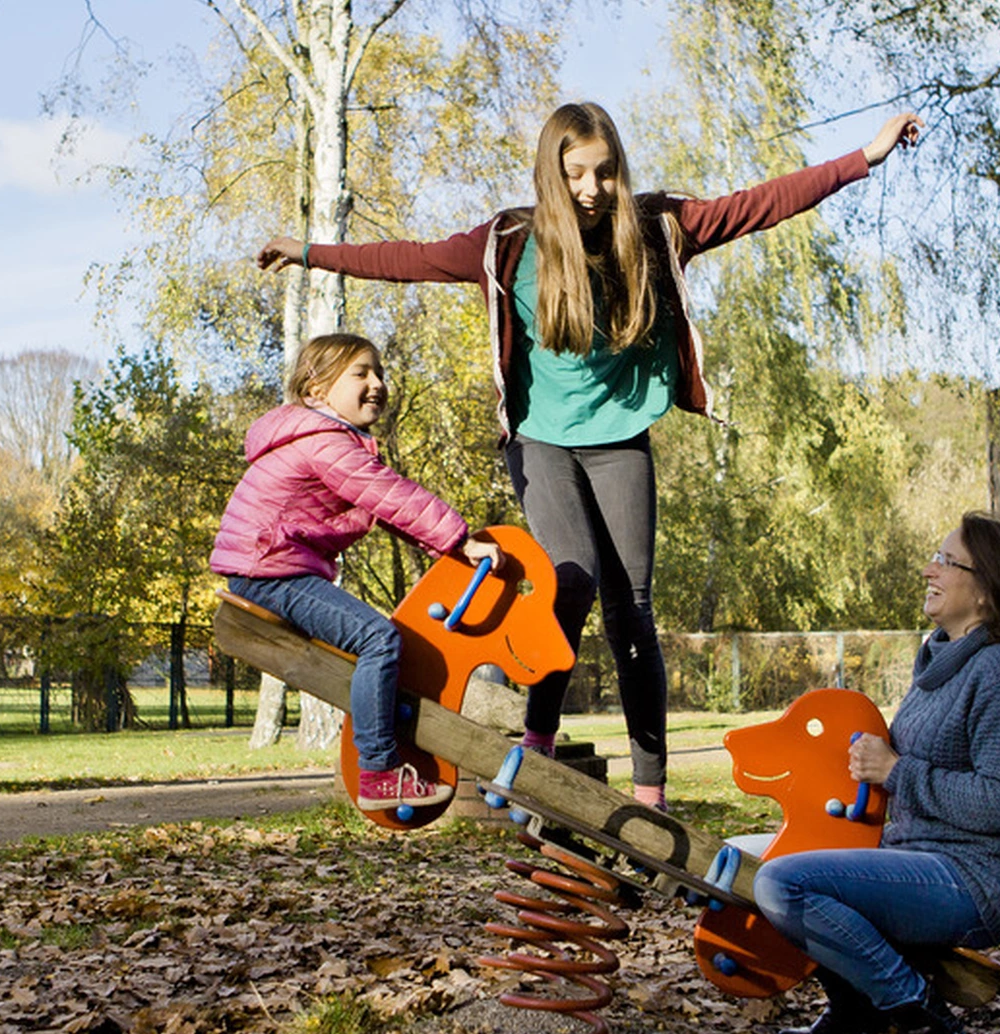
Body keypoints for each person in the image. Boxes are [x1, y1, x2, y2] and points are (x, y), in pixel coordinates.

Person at [257, 102, 924, 810]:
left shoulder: (655, 229)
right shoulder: (506, 243)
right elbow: (405, 260)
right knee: (566, 581)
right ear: (552, 172)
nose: (592, 188)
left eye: (605, 172)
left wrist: (865, 157)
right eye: (576, 172)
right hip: (541, 441)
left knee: (631, 608)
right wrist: (306, 253)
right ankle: (538, 745)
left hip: (619, 440)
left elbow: (757, 205)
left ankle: (651, 789)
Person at [752, 512, 1000, 1034]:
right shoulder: (944, 662)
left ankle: (915, 1013)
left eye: (946, 561)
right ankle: (854, 1016)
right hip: (911, 854)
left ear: (987, 590)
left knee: (785, 882)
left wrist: (897, 770)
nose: (928, 570)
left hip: (973, 879)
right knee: (758, 853)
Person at [210, 332, 502, 812]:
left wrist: (446, 549)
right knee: (378, 640)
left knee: (375, 640)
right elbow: (389, 494)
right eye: (360, 373)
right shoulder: (325, 442)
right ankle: (378, 773)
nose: (377, 383)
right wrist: (459, 537)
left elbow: (384, 509)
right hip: (270, 570)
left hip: (267, 566)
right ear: (317, 391)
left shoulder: (322, 437)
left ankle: (379, 757)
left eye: (379, 372)